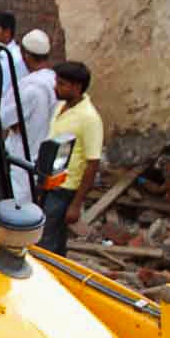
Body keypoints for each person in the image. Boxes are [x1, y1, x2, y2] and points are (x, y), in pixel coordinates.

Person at [42, 61, 103, 254]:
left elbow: (92, 164)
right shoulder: (61, 106)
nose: (56, 87)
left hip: (65, 190)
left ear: (76, 87)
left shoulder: (89, 119)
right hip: (49, 183)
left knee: (46, 242)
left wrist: (76, 205)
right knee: (54, 240)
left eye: (61, 84)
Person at [6, 29, 58, 202]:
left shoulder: (28, 86)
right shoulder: (56, 81)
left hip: (23, 158)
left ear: (24, 54)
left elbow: (3, 118)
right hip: (48, 158)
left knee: (17, 208)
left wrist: (15, 123)